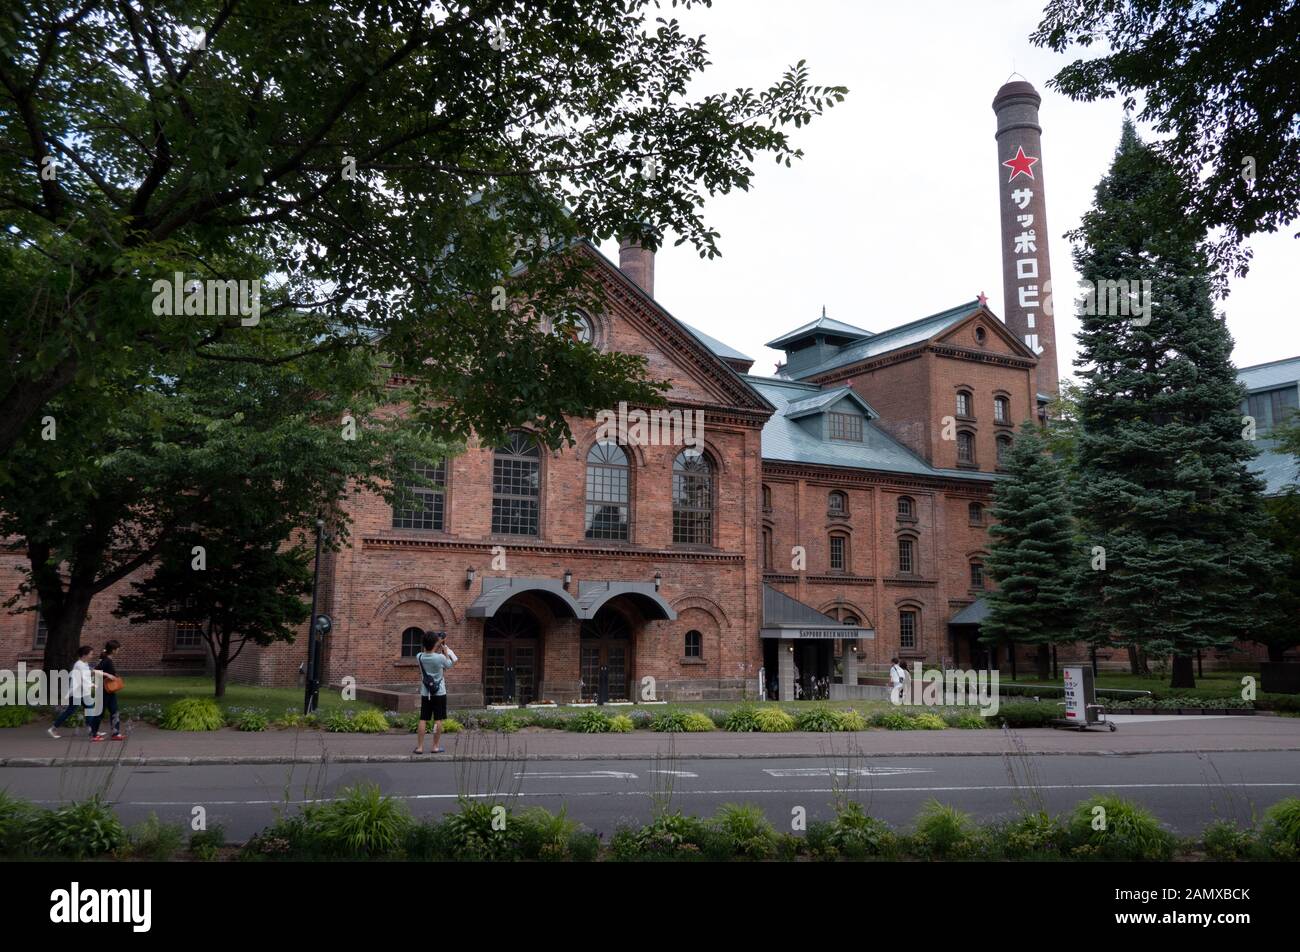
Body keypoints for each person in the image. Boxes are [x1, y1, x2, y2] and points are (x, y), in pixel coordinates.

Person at [413, 631, 457, 754]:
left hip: (425, 692)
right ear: (434, 644)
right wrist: (446, 652)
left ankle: (420, 747)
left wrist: (436, 642)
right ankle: (435, 746)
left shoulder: (419, 656)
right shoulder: (440, 657)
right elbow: (449, 665)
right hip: (439, 692)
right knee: (438, 719)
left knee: (423, 718)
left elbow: (427, 648)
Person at [48, 645, 95, 739]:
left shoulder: (84, 664)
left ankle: (92, 730)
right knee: (70, 711)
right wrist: (92, 684)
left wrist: (91, 673)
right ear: (84, 655)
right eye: (90, 654)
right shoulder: (79, 665)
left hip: (82, 692)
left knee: (89, 708)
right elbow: (83, 679)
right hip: (77, 692)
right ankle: (53, 728)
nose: (92, 656)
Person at [88, 640, 125, 741]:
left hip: (110, 691)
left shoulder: (107, 659)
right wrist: (107, 675)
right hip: (103, 691)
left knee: (114, 711)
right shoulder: (106, 661)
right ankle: (94, 734)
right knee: (100, 712)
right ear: (113, 650)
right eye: (117, 649)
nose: (118, 651)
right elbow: (93, 671)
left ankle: (115, 733)